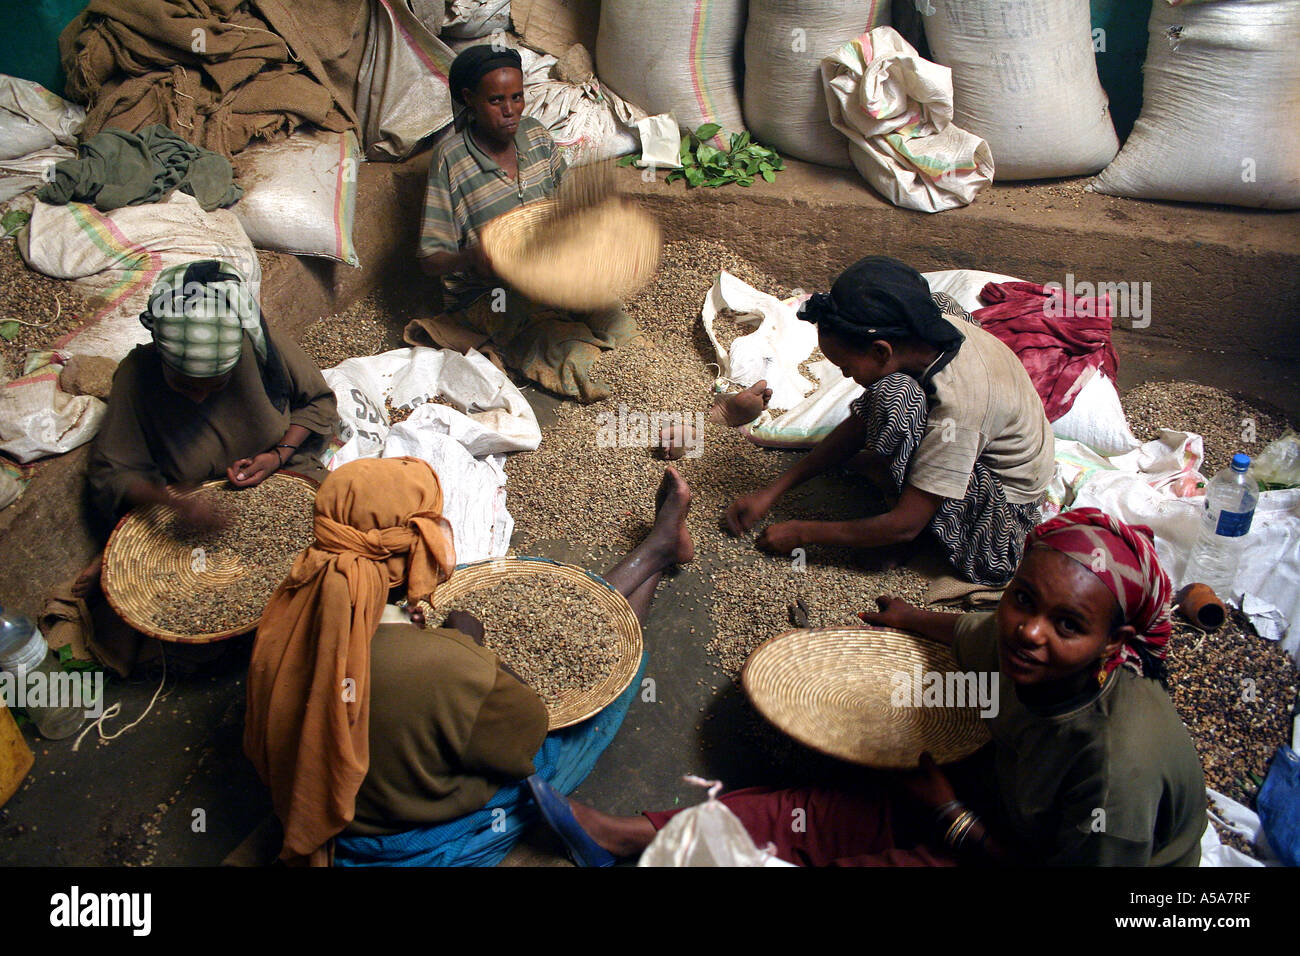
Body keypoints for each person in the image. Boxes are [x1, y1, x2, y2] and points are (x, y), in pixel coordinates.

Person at [531, 509, 1208, 867]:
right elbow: (967, 629)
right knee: (813, 813)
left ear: (1113, 648)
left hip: (1041, 854)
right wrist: (908, 617)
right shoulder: (1016, 643)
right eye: (1022, 599)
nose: (1030, 631)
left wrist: (951, 818)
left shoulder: (1117, 765)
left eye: (1068, 625)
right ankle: (624, 837)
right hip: (1000, 806)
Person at [243, 456, 695, 865]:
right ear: (417, 547)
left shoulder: (288, 613)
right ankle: (657, 553)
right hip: (396, 825)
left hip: (330, 793)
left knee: (576, 615)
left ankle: (657, 550)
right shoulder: (450, 666)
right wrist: (470, 648)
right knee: (608, 676)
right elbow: (527, 736)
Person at [724, 256, 1055, 586]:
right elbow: (860, 421)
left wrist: (802, 532)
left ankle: (912, 537)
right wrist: (773, 491)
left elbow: (905, 523)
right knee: (893, 389)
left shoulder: (960, 409)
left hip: (1000, 516)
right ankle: (901, 483)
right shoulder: (928, 328)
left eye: (846, 367)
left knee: (894, 394)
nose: (846, 376)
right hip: (977, 444)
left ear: (882, 352)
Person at [414, 44, 640, 403]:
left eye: (516, 97)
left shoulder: (535, 136)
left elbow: (566, 208)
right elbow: (430, 259)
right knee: (566, 350)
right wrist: (472, 256)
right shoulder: (451, 160)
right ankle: (626, 397)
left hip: (551, 273)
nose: (510, 111)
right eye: (496, 101)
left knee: (620, 327)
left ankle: (654, 381)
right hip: (493, 294)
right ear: (469, 99)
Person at [85, 259, 336, 530]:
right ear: (161, 356)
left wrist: (278, 455)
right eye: (185, 385)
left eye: (217, 385)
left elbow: (318, 403)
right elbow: (113, 473)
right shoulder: (138, 373)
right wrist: (173, 503)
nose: (201, 397)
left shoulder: (257, 346)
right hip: (196, 506)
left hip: (286, 470)